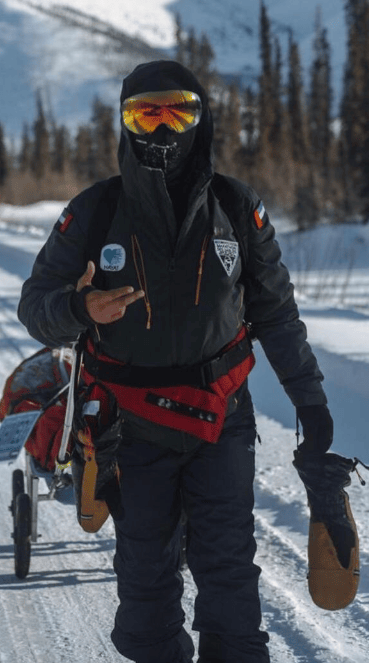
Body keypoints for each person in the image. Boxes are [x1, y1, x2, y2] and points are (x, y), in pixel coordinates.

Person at [17, 59, 334, 663]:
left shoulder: (236, 207)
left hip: (222, 416)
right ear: (125, 123)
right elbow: (35, 307)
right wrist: (81, 307)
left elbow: (276, 315)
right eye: (146, 114)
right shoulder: (94, 212)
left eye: (177, 112)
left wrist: (310, 401)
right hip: (130, 424)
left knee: (228, 564)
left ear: (200, 119)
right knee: (146, 570)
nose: (162, 128)